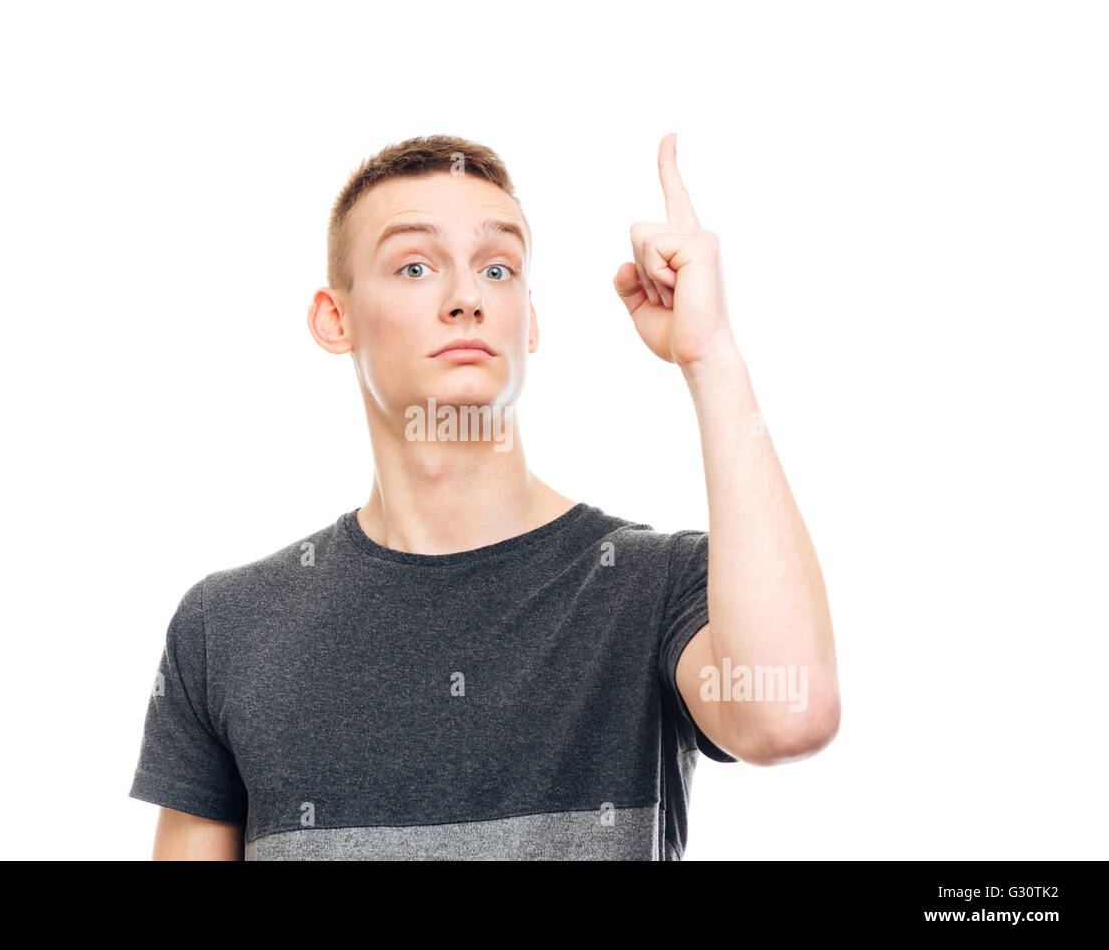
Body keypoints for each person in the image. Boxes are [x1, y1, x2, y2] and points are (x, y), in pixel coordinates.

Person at [128, 133, 840, 860]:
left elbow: (790, 715)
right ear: (333, 319)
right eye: (414, 265)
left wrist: (711, 354)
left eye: (497, 268)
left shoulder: (654, 587)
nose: (467, 297)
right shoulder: (224, 630)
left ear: (528, 319)